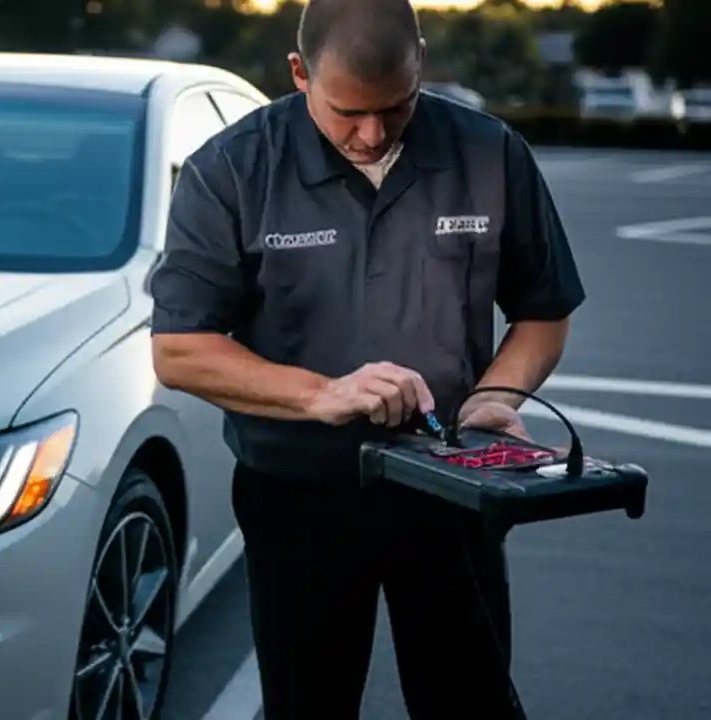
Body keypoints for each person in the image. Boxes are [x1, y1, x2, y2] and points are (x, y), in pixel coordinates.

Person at [148, 0, 586, 718]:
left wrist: (494, 398)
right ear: (299, 73)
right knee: (308, 706)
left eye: (397, 105)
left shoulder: (489, 153)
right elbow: (180, 350)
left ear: (421, 62)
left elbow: (544, 309)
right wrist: (322, 394)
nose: (374, 134)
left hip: (451, 490)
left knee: (469, 703)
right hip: (298, 495)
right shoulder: (230, 169)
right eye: (348, 112)